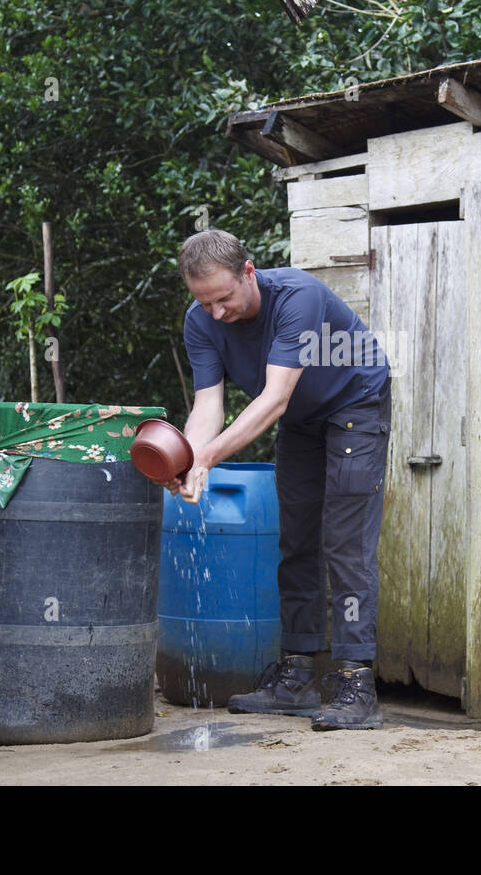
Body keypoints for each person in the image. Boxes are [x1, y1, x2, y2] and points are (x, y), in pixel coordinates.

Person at [162, 228, 392, 730]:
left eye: (224, 298)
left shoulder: (298, 297)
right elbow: (208, 404)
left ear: (249, 271)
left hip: (354, 401)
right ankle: (297, 677)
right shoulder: (200, 321)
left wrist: (209, 459)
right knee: (297, 540)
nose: (217, 313)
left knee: (346, 543)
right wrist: (188, 457)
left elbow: (273, 398)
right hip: (302, 421)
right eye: (205, 303)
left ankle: (356, 681)